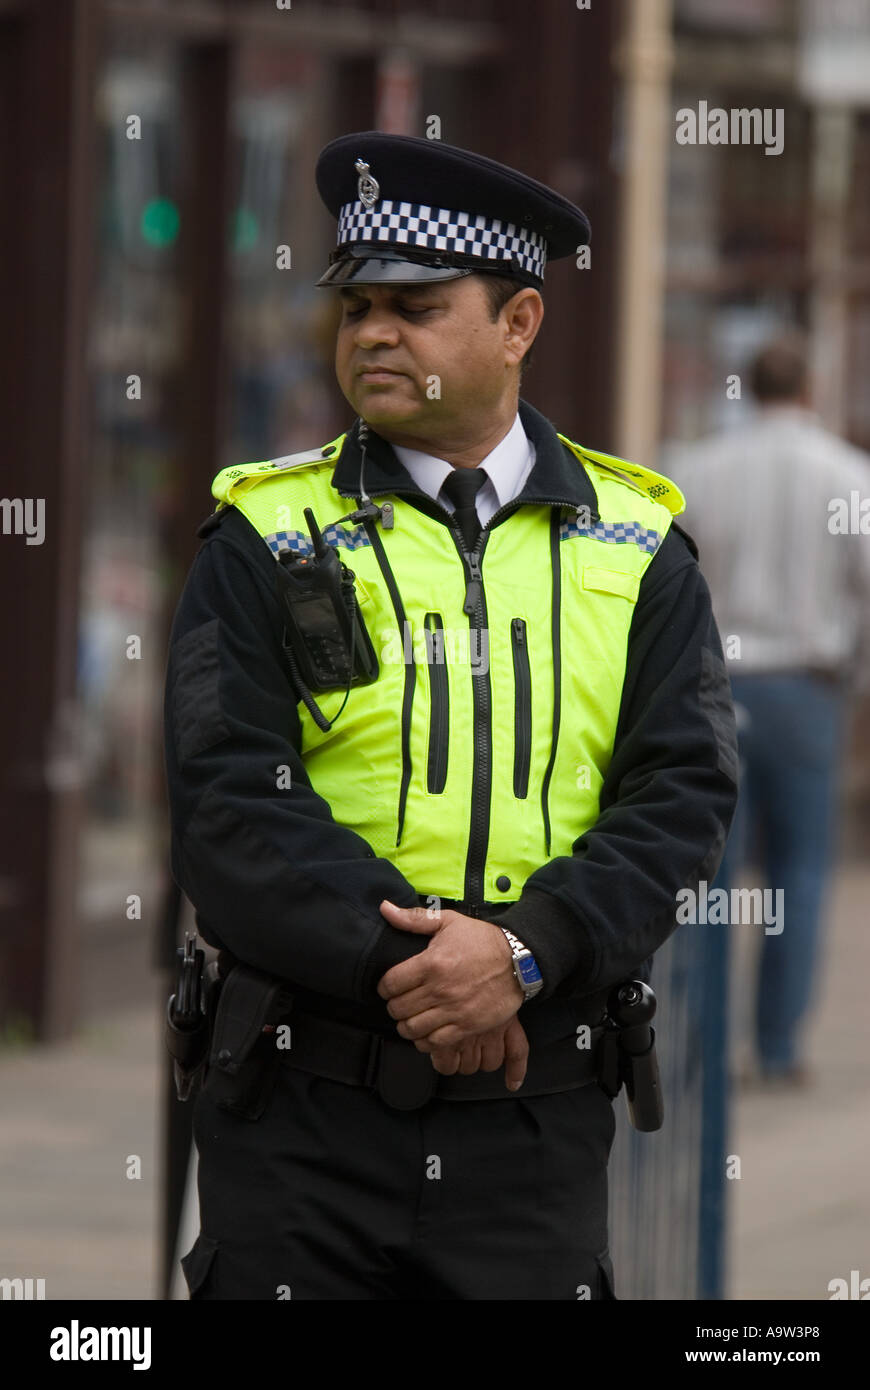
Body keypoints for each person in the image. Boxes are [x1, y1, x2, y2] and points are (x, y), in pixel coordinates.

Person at [164, 131, 738, 1301]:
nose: (373, 333)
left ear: (518, 323)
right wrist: (428, 976)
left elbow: (681, 797)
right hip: (298, 1119)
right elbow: (229, 804)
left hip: (535, 1123)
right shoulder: (267, 537)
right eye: (358, 306)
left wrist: (525, 954)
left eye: (416, 305)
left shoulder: (638, 549)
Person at [667, 336, 870, 1085]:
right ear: (809, 386)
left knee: (701, 872)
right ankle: (778, 1046)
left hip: (713, 684)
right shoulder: (846, 474)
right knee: (800, 872)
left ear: (747, 388)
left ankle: (698, 1044)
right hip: (805, 689)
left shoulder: (698, 471)